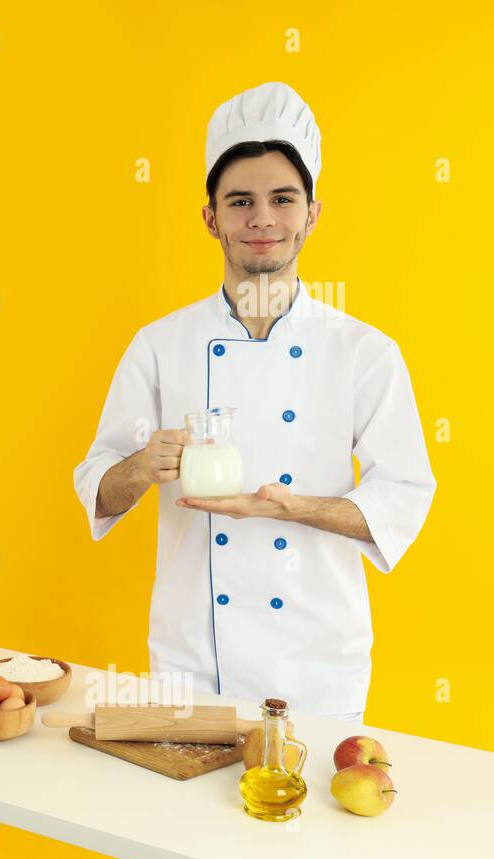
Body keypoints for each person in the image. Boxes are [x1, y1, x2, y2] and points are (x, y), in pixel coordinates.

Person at [73, 81, 437, 722]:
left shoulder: (364, 352)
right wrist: (139, 466)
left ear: (312, 214)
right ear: (211, 217)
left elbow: (404, 494)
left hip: (320, 657)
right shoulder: (160, 345)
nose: (262, 219)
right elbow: (99, 490)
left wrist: (297, 508)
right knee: (184, 820)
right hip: (195, 657)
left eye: (282, 199)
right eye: (240, 201)